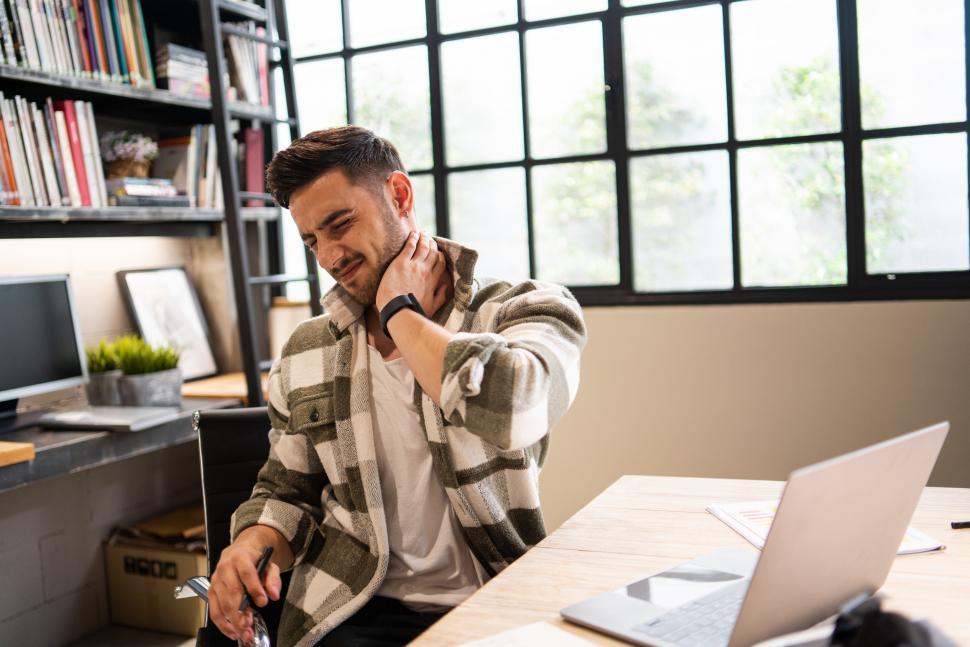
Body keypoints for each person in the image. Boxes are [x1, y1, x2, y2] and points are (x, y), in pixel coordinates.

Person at [206, 126, 587, 647]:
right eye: (312, 240)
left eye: (341, 224)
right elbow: (286, 490)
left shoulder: (522, 309)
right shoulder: (306, 351)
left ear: (400, 195)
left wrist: (399, 313)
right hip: (349, 608)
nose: (329, 256)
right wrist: (251, 543)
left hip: (491, 599)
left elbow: (515, 409)